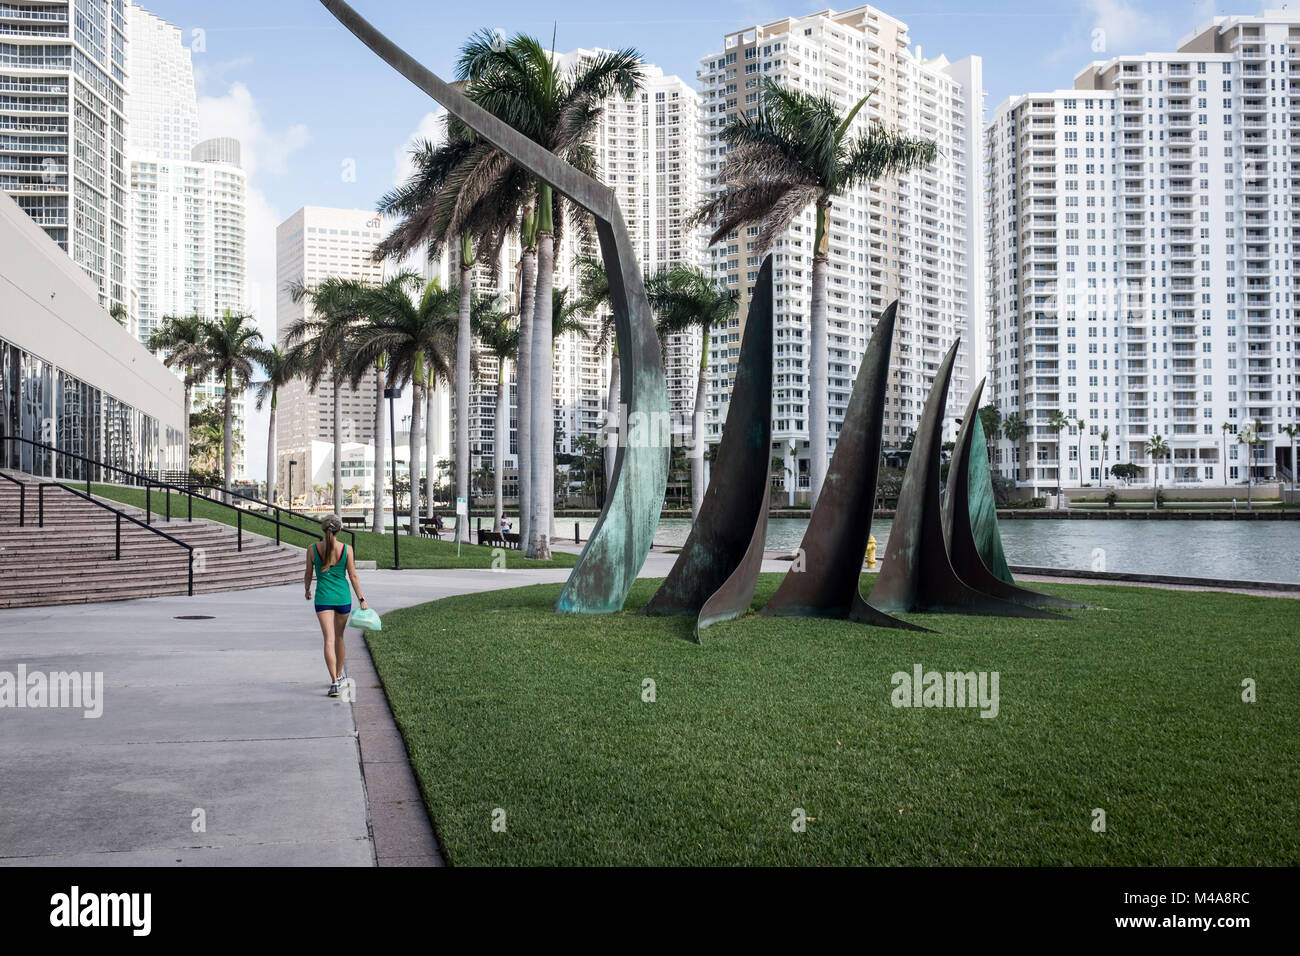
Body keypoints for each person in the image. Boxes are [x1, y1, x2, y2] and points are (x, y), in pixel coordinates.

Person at [305, 514, 369, 698]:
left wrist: (307, 589)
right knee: (340, 638)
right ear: (339, 530)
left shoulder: (312, 549)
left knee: (329, 640)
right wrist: (361, 599)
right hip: (342, 598)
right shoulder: (347, 549)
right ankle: (339, 675)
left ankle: (334, 681)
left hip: (323, 598)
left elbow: (308, 573)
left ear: (323, 529)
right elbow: (353, 576)